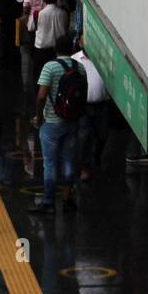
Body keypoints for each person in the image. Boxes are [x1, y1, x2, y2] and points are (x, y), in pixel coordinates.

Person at [31, 36, 83, 214]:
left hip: (51, 122)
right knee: (69, 161)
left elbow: (41, 96)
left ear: (55, 49)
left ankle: (49, 202)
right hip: (73, 121)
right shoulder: (79, 67)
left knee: (50, 163)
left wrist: (39, 117)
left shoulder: (50, 67)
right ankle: (68, 199)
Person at [72, 37, 110, 183]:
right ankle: (84, 168)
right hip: (83, 106)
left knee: (103, 134)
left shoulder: (103, 57)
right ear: (80, 43)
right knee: (84, 136)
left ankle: (95, 154)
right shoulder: (75, 60)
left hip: (102, 104)